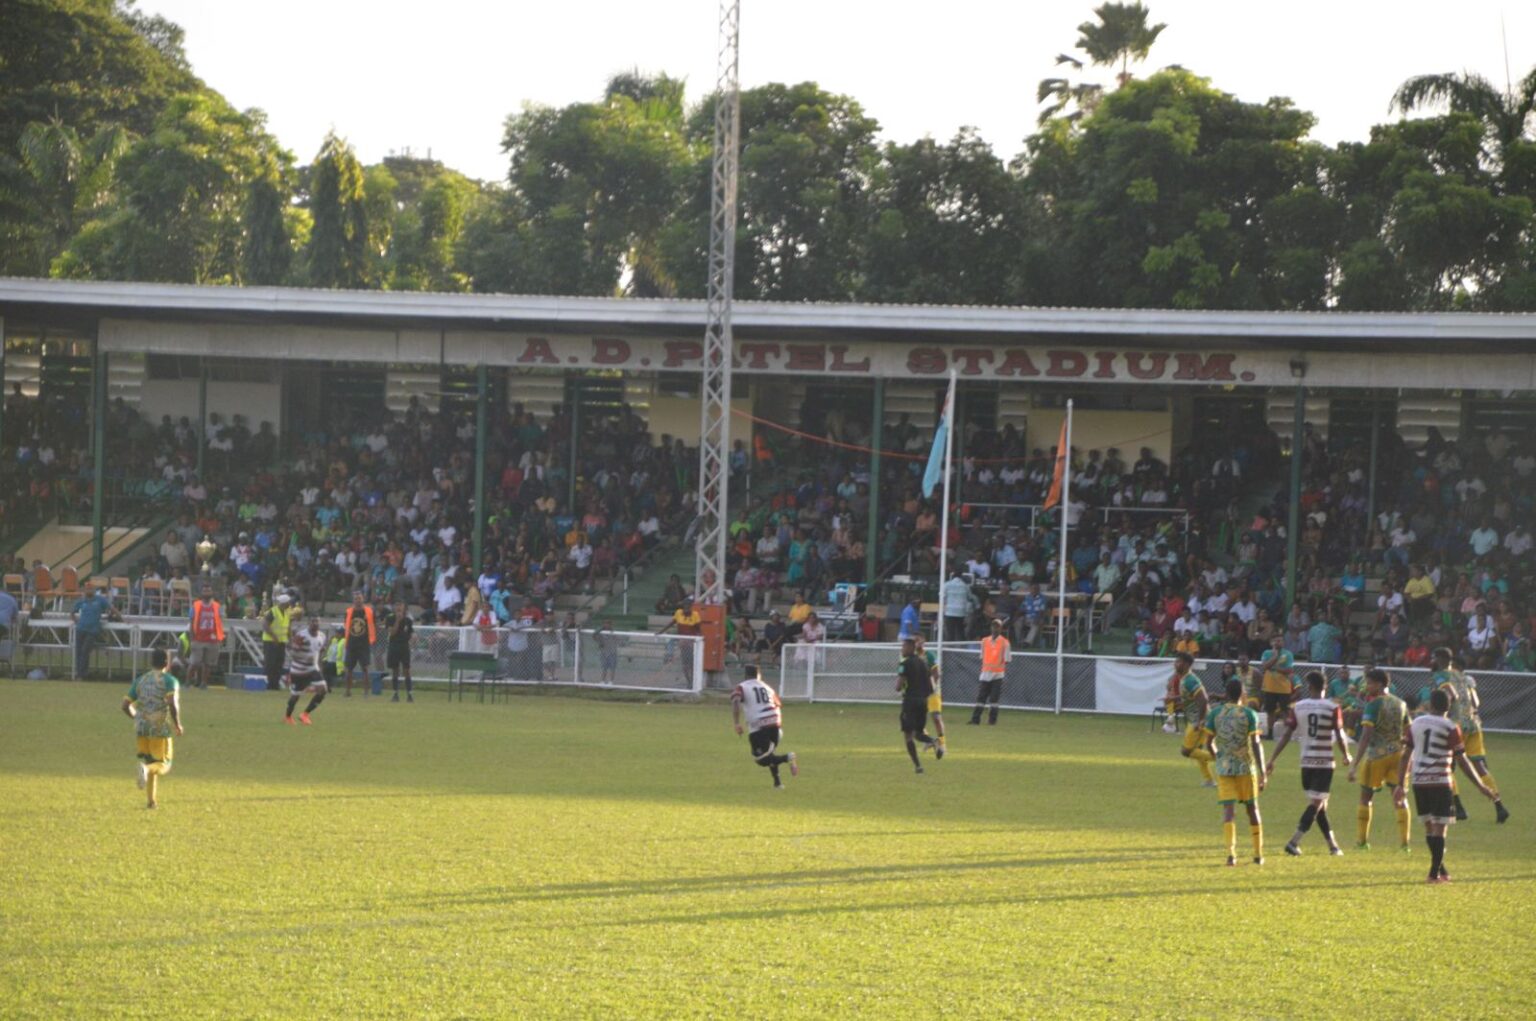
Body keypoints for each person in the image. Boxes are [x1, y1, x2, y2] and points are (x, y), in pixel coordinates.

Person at [1395, 688, 1498, 883]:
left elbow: (1405, 756)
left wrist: (1400, 784)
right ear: (1449, 706)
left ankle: (1441, 869)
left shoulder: (1415, 724)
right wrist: (1480, 785)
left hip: (1419, 781)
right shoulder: (1450, 727)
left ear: (1430, 704)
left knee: (1429, 827)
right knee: (1439, 829)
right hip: (1441, 781)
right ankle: (1433, 874)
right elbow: (1462, 761)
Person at [1267, 671, 1352, 856]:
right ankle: (1294, 841)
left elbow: (1287, 734)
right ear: (1325, 687)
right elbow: (1339, 734)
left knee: (1320, 806)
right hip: (1324, 763)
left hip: (1305, 762)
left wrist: (1272, 758)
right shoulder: (1332, 707)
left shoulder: (1298, 707)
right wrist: (1346, 755)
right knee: (1316, 804)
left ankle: (1333, 845)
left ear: (1310, 687)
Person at [1431, 647, 1510, 824]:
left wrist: (1444, 713)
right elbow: (1476, 702)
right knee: (1480, 766)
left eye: (1435, 657)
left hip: (1456, 725)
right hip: (1473, 724)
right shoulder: (1463, 676)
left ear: (1441, 659)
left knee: (1448, 766)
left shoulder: (1441, 676)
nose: (1433, 661)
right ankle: (1499, 805)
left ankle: (1458, 808)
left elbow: (1450, 694)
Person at [1200, 677, 1268, 866]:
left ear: (1226, 694)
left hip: (1224, 768)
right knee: (1252, 809)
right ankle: (1258, 854)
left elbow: (1208, 743)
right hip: (1246, 767)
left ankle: (1231, 855)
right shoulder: (1249, 714)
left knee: (1228, 811)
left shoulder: (1215, 714)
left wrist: (1218, 758)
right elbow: (1256, 743)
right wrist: (1263, 772)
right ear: (1242, 694)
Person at [1347, 668, 1412, 852]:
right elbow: (1409, 732)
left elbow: (1366, 735)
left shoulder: (1374, 705)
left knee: (1366, 797)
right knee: (1399, 797)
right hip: (1398, 756)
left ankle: (1362, 841)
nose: (1367, 687)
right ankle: (1405, 844)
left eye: (1369, 683)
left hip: (1377, 756)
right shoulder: (1401, 704)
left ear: (1380, 684)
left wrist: (1355, 763)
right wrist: (1410, 756)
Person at [121, 649, 183, 810]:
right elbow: (171, 703)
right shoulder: (169, 681)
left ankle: (151, 802)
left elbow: (125, 706)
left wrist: (137, 718)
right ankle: (145, 769)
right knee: (163, 764)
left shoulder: (140, 680)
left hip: (142, 729)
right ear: (166, 663)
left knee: (151, 762)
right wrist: (177, 724)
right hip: (159, 729)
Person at [731, 664, 798, 790]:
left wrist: (736, 723)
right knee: (770, 754)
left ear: (745, 675)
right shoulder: (768, 687)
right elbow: (778, 704)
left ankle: (788, 757)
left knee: (761, 759)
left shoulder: (742, 686)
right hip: (776, 724)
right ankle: (777, 783)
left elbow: (735, 701)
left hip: (759, 726)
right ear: (759, 675)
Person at [1171, 652, 1216, 787]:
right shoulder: (1184, 678)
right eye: (1176, 661)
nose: (1175, 664)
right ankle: (1209, 780)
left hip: (1199, 719)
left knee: (1187, 751)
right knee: (1197, 751)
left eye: (1178, 661)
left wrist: (1200, 720)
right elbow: (1190, 698)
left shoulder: (1190, 679)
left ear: (1186, 664)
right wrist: (1174, 699)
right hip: (1197, 718)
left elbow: (1203, 700)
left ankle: (1221, 758)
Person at [896, 638, 939, 774]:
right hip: (923, 701)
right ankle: (932, 740)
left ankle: (918, 766)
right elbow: (931, 687)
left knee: (908, 735)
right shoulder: (924, 663)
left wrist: (901, 684)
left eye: (903, 647)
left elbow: (898, 687)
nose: (901, 649)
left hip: (910, 701)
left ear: (910, 648)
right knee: (917, 733)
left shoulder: (905, 664)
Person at [283, 616, 329, 725]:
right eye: (313, 621)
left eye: (317, 621)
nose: (315, 623)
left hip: (313, 668)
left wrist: (319, 660)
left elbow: (319, 651)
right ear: (309, 623)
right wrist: (304, 657)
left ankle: (305, 714)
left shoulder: (322, 636)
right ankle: (288, 716)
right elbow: (292, 653)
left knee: (323, 690)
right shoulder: (301, 636)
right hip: (299, 670)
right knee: (296, 695)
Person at [72, 584, 121, 680]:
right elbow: (72, 612)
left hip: (92, 630)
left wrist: (123, 619)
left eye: (91, 589)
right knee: (78, 652)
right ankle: (80, 673)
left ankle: (81, 675)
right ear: (85, 590)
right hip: (81, 629)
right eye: (87, 589)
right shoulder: (82, 600)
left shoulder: (100, 600)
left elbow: (112, 609)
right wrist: (76, 622)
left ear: (94, 590)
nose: (89, 591)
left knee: (85, 651)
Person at [971, 618, 1010, 726]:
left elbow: (1007, 659)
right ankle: (975, 719)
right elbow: (982, 656)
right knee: (981, 698)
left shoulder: (1005, 642)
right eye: (993, 626)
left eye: (997, 626)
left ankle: (992, 721)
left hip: (997, 675)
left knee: (994, 699)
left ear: (1001, 628)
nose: (994, 628)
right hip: (985, 673)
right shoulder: (984, 641)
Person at [186, 583, 225, 690]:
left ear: (212, 592)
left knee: (208, 664)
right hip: (198, 638)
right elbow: (191, 621)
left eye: (208, 590)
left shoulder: (217, 606)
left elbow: (220, 622)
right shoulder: (196, 605)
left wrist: (219, 637)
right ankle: (188, 682)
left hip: (212, 639)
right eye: (205, 591)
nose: (206, 593)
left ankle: (204, 683)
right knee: (194, 662)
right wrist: (191, 638)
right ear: (201, 593)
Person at [261, 591, 301, 692]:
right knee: (271, 664)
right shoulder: (272, 611)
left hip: (281, 642)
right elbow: (265, 625)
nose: (289, 604)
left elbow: (288, 627)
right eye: (288, 602)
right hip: (270, 641)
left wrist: (290, 639)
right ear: (284, 603)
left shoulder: (287, 612)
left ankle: (275, 684)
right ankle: (271, 684)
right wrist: (274, 637)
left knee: (279, 663)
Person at [914, 634, 946, 757]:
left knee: (936, 718)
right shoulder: (913, 657)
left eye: (918, 640)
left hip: (932, 692)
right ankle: (929, 741)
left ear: (924, 642)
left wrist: (929, 687)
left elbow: (936, 674)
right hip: (919, 693)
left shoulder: (930, 655)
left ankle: (942, 744)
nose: (916, 642)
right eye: (914, 640)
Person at [1257, 634, 1294, 738]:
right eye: (1276, 641)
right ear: (1271, 642)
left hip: (1284, 688)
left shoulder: (1288, 654)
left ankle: (1287, 734)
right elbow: (1264, 666)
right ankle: (1270, 733)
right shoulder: (1267, 653)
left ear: (1283, 642)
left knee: (1285, 712)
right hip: (1269, 687)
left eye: (1280, 641)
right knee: (1270, 711)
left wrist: (1274, 667)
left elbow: (1289, 670)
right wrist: (1275, 657)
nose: (1278, 643)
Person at [342, 590, 377, 697]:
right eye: (356, 598)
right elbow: (346, 625)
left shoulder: (369, 611)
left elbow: (374, 625)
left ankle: (366, 691)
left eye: (359, 598)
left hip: (364, 644)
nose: (358, 600)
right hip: (351, 643)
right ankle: (348, 691)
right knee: (348, 669)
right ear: (353, 600)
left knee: (365, 668)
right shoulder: (349, 611)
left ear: (363, 598)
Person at [385, 602, 414, 702]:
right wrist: (397, 621)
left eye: (400, 605)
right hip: (394, 646)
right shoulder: (390, 619)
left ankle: (409, 694)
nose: (398, 607)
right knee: (395, 670)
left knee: (407, 670)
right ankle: (395, 694)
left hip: (404, 647)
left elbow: (411, 633)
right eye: (396, 605)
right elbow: (392, 633)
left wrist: (413, 638)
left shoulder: (408, 620)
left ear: (404, 607)